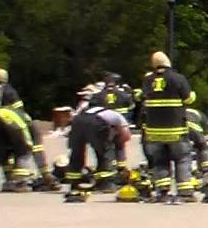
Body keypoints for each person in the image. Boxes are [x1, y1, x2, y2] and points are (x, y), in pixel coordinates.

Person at [136, 51, 197, 203]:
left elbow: (139, 97)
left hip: (154, 132)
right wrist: (193, 95)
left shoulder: (147, 80)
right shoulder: (178, 78)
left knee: (160, 161)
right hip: (176, 129)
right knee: (182, 159)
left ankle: (162, 191)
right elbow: (188, 98)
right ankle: (185, 192)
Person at [63, 93, 129, 201]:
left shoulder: (83, 112)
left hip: (77, 123)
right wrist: (117, 144)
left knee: (77, 154)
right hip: (95, 124)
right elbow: (126, 135)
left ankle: (74, 183)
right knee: (105, 153)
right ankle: (106, 183)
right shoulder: (112, 113)